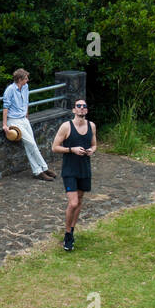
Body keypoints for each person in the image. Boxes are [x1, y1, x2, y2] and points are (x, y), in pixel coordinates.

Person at [51, 98, 97, 251]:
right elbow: (55, 147)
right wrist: (72, 149)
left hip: (84, 169)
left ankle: (72, 229)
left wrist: (92, 150)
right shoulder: (66, 127)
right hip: (69, 169)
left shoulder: (91, 126)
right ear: (74, 110)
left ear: (87, 110)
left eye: (84, 106)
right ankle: (67, 233)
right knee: (73, 203)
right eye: (79, 106)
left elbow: (94, 144)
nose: (82, 108)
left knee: (80, 199)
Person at [2, 68, 54, 180]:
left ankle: (37, 171)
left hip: (24, 119)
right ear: (20, 79)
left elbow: (26, 101)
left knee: (30, 144)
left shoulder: (25, 87)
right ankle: (44, 168)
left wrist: (26, 114)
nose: (28, 80)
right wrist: (5, 125)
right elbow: (5, 107)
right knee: (32, 144)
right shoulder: (10, 90)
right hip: (14, 120)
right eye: (26, 78)